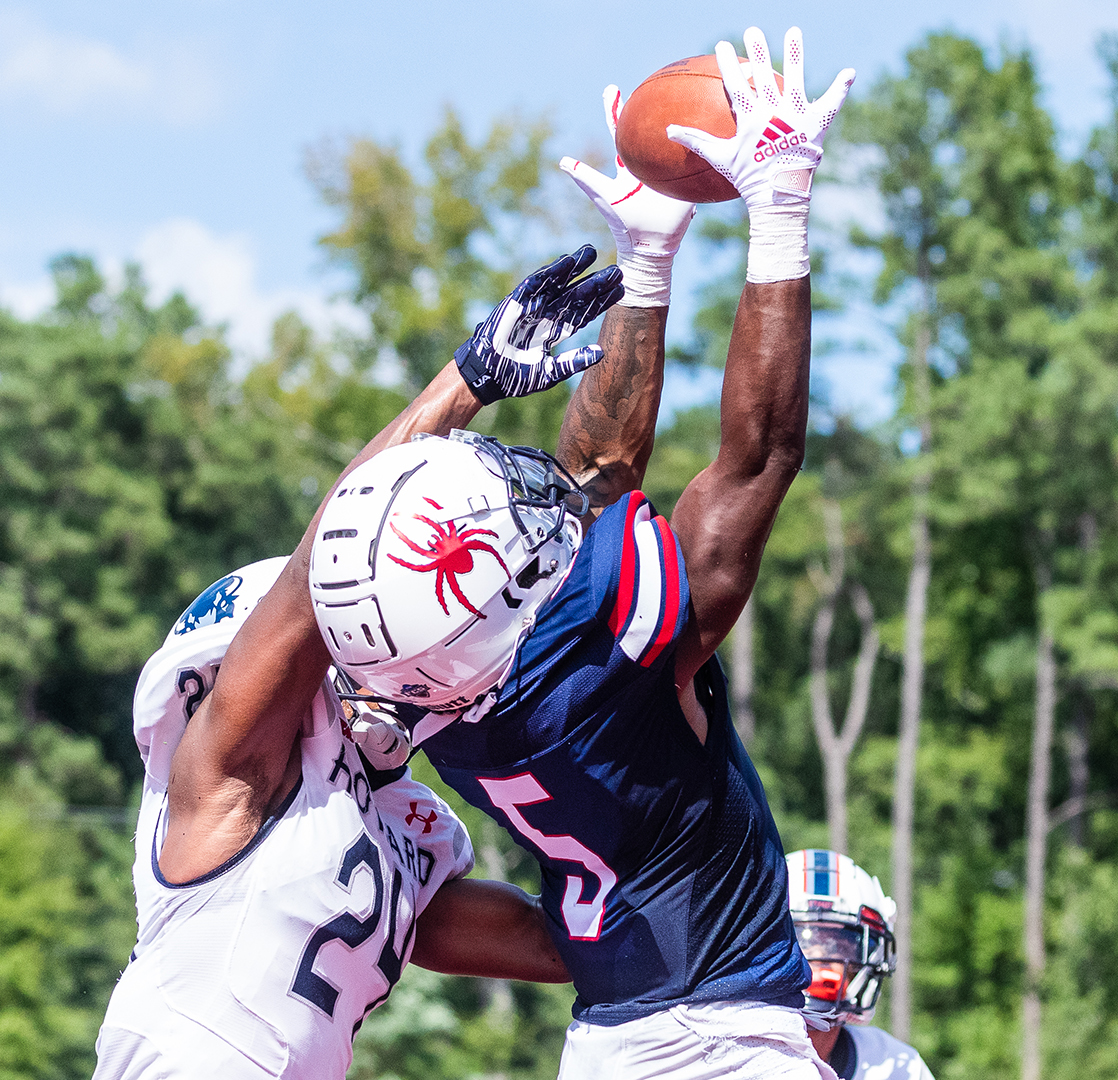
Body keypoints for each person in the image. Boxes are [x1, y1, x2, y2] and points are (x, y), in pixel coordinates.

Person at [307, 26, 856, 1080]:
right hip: (729, 1041)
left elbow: (597, 479)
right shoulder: (607, 661)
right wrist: (779, 210)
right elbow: (758, 461)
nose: (533, 500)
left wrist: (647, 264)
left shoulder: (447, 699)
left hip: (605, 1046)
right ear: (513, 595)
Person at [92, 250, 625, 1080]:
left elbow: (553, 944)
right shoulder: (232, 773)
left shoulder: (383, 829)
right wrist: (465, 381)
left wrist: (673, 856)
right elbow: (325, 565)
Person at [786, 850, 935, 1080]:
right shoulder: (725, 1049)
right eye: (801, 941)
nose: (817, 959)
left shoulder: (894, 1066)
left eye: (837, 945)